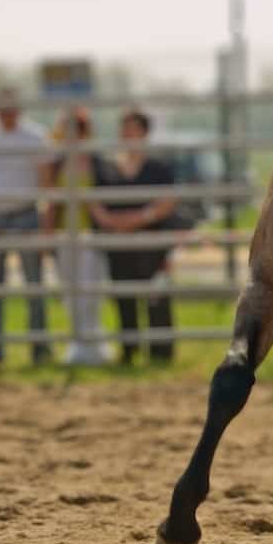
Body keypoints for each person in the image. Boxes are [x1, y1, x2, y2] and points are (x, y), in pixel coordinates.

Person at [0, 87, 54, 366]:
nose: (6, 114)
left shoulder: (35, 137)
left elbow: (46, 184)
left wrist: (46, 227)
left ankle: (39, 348)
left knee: (34, 287)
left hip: (26, 214)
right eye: (1, 109)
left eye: (10, 108)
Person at [91, 108, 180, 366]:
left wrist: (136, 220)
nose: (127, 134)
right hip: (118, 243)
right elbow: (95, 204)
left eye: (133, 128)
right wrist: (113, 223)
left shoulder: (159, 167)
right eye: (124, 128)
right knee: (124, 296)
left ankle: (161, 352)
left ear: (144, 132)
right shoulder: (107, 169)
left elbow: (167, 202)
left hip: (152, 243)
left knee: (156, 296)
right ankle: (129, 351)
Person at [45, 105, 112, 366]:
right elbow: (51, 200)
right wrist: (47, 232)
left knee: (91, 292)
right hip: (65, 235)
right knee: (70, 292)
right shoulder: (57, 162)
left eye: (78, 129)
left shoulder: (97, 161)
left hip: (91, 236)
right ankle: (76, 344)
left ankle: (94, 345)